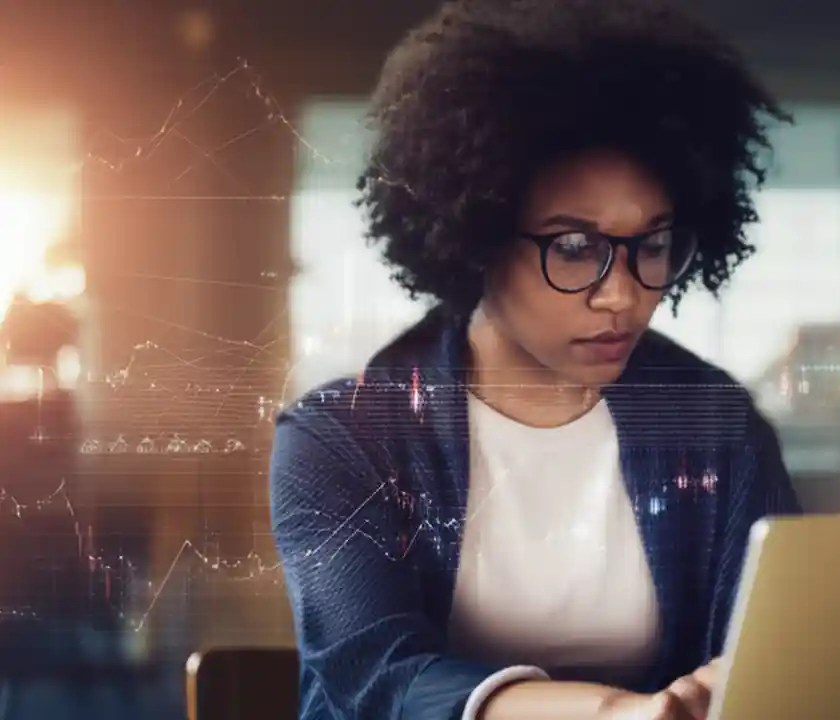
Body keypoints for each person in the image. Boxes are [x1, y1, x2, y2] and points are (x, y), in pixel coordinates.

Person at [269, 1, 800, 718]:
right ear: (475, 238)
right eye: (574, 248)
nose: (621, 295)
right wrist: (618, 714)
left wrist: (730, 685)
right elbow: (377, 678)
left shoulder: (714, 423)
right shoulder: (342, 438)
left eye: (651, 245)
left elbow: (774, 644)